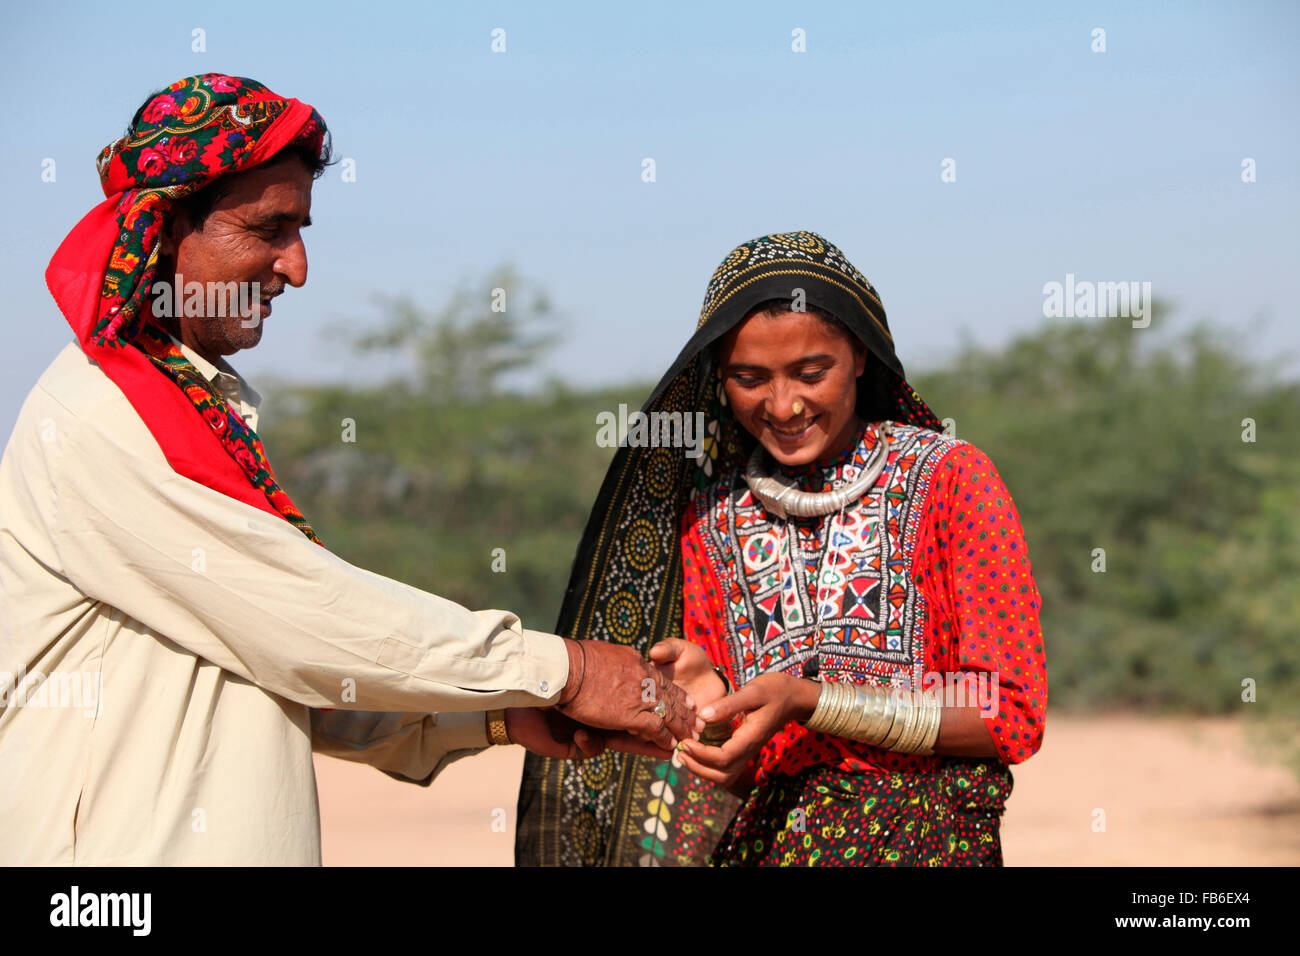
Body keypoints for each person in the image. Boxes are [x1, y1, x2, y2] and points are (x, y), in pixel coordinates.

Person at [0, 74, 694, 866]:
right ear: (163, 233)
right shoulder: (101, 419)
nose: (295, 268)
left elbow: (302, 678)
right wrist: (562, 669)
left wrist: (503, 715)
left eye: (299, 230)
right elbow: (312, 618)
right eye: (268, 229)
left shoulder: (193, 410)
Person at [517, 232, 1047, 866]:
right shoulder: (712, 521)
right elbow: (752, 776)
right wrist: (709, 713)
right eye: (749, 378)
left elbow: (1009, 715)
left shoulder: (951, 480)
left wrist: (811, 700)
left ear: (859, 354)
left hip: (932, 844)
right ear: (718, 378)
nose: (783, 405)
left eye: (810, 372)